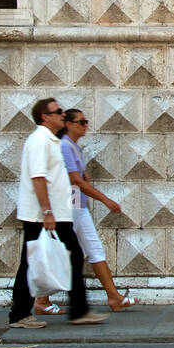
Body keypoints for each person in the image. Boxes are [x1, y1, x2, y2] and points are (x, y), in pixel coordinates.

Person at [8, 97, 106, 328]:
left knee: (71, 256)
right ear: (45, 116)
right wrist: (47, 212)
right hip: (43, 216)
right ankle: (20, 314)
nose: (63, 115)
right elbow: (38, 178)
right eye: (58, 111)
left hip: (58, 214)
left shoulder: (52, 141)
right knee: (32, 262)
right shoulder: (39, 141)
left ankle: (78, 310)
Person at [33, 108, 137, 314]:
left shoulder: (73, 147)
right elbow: (74, 180)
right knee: (73, 253)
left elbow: (75, 177)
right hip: (70, 208)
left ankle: (112, 296)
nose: (85, 125)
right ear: (69, 124)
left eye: (86, 121)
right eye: (81, 122)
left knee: (89, 251)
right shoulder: (65, 146)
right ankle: (43, 300)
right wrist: (105, 200)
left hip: (77, 207)